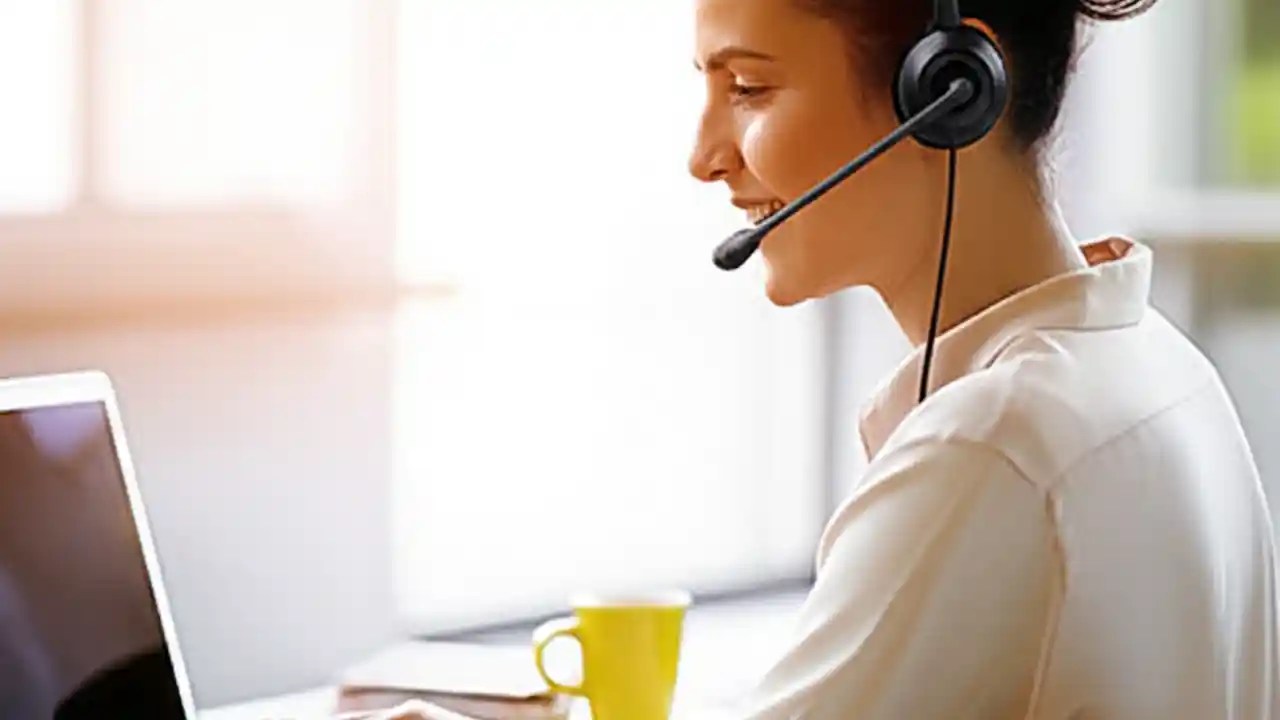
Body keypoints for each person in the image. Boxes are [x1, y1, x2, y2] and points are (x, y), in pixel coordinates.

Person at [377, 0, 1280, 717]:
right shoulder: (1162, 368)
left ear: (949, 90)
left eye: (750, 89)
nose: (703, 156)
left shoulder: (991, 450)